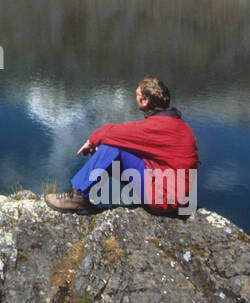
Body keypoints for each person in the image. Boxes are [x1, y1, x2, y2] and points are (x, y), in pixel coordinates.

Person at [44, 75, 199, 215]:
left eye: (137, 95)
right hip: (174, 194)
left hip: (164, 199)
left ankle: (77, 196)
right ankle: (82, 195)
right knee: (115, 148)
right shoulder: (178, 125)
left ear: (145, 101)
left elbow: (115, 133)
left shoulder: (160, 127)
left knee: (113, 148)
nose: (135, 97)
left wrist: (93, 141)